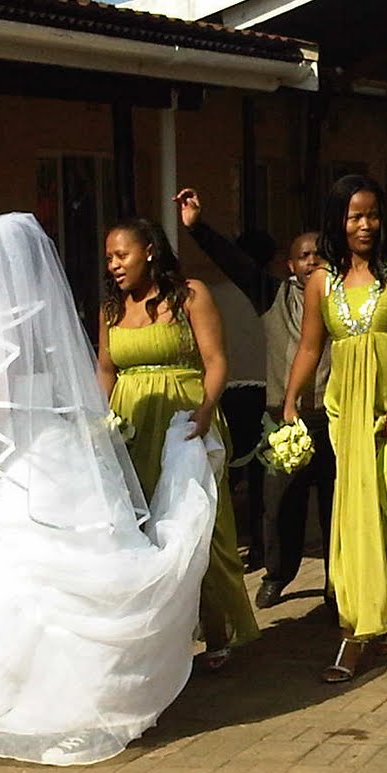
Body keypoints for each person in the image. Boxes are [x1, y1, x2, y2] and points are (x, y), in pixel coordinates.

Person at [0, 214, 220, 767]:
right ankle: (62, 709)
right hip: (52, 468)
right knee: (36, 599)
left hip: (6, 480)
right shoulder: (42, 330)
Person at [283, 174, 387, 683]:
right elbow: (310, 347)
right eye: (355, 216)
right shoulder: (320, 282)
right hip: (347, 416)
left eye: (372, 214)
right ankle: (358, 629)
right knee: (356, 520)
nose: (366, 224)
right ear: (337, 220)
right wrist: (291, 402)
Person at [100, 217, 259, 670]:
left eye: (121, 254)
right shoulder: (111, 309)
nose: (114, 265)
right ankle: (161, 636)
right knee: (144, 528)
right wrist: (102, 417)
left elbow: (216, 360)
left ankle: (218, 630)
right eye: (109, 257)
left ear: (149, 250)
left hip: (184, 422)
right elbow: (106, 368)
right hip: (131, 422)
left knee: (198, 524)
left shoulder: (190, 295)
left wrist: (206, 413)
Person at [176, 185, 332, 610]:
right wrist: (197, 227)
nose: (312, 261)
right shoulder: (273, 295)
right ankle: (278, 575)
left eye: (320, 254)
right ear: (290, 264)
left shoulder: (344, 299)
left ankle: (336, 587)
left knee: (337, 507)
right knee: (280, 504)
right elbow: (235, 262)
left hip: (337, 415)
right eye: (304, 255)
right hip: (285, 417)